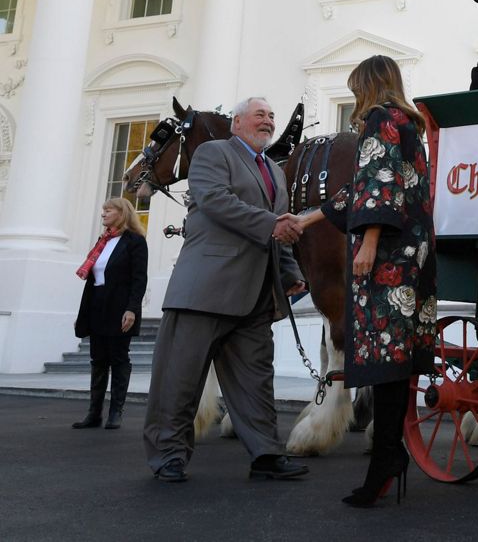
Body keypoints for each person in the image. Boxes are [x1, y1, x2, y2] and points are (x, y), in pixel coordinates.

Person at [293, 54, 436, 507]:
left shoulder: (379, 120)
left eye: (357, 88)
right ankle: (389, 457)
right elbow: (360, 191)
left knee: (384, 361)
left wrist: (368, 245)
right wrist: (308, 218)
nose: (355, 97)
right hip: (415, 254)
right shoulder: (410, 124)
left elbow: (378, 189)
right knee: (397, 362)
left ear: (370, 86)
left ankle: (386, 463)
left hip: (387, 257)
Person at [142, 96, 309, 483]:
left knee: (256, 381)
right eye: (259, 115)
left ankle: (266, 453)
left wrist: (290, 271)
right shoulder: (212, 154)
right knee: (179, 381)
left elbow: (277, 231)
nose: (267, 121)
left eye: (271, 116)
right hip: (205, 290)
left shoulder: (274, 171)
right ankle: (167, 455)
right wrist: (272, 225)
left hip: (254, 296)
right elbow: (217, 202)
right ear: (236, 123)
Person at [71, 197, 148, 430]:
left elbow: (139, 279)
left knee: (118, 358)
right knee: (98, 360)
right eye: (103, 210)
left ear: (122, 213)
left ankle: (116, 412)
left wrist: (132, 309)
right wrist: (83, 313)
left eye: (108, 210)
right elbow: (93, 279)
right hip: (97, 305)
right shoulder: (103, 241)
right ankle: (94, 413)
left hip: (119, 306)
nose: (103, 214)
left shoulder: (135, 242)